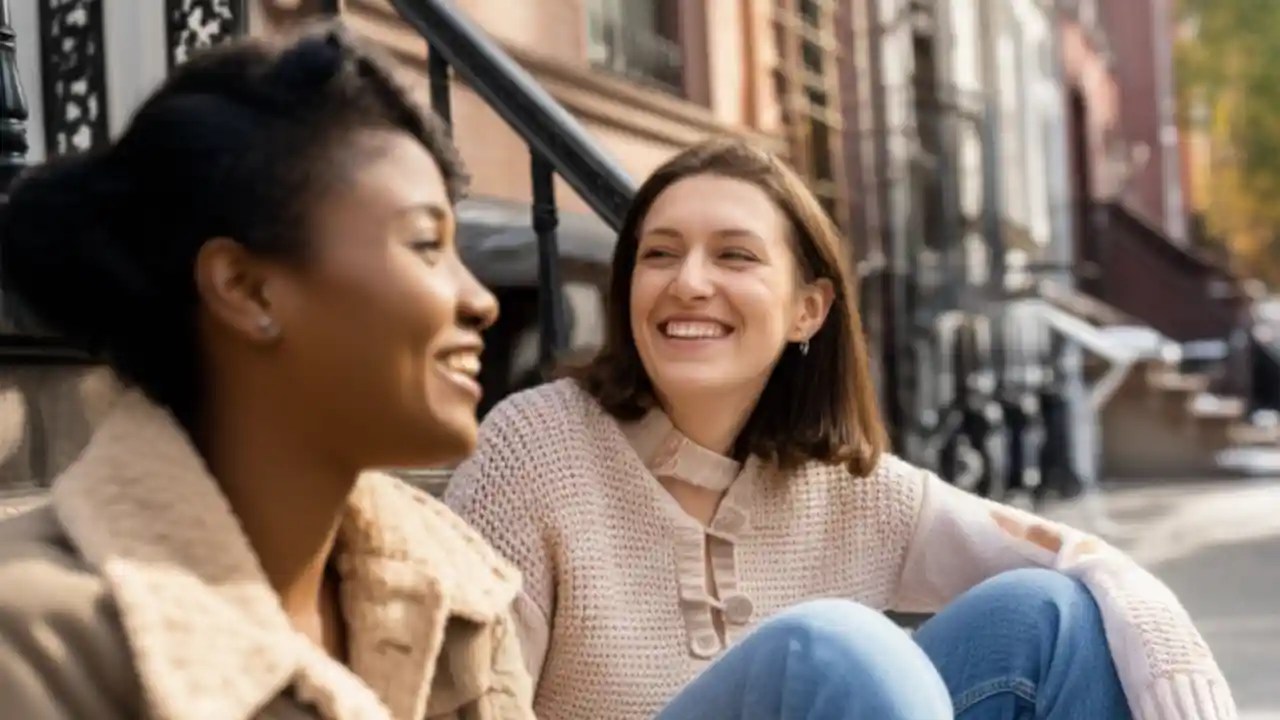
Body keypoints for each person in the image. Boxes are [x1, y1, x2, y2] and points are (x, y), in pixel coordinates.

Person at [446, 138, 1237, 719]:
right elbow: (466, 701)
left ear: (808, 310)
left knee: (1047, 616)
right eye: (659, 254)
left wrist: (1164, 639)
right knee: (832, 650)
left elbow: (1066, 557)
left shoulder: (845, 490)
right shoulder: (537, 448)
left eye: (733, 256)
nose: (688, 283)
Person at [0, 26, 533, 719]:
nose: (482, 300)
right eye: (426, 245)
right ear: (247, 290)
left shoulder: (458, 593)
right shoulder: (37, 640)